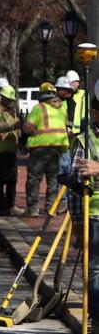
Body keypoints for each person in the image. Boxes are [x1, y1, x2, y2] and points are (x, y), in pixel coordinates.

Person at [67, 83, 99, 316]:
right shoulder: (84, 141)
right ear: (95, 112)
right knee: (95, 271)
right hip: (95, 217)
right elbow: (75, 189)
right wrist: (78, 223)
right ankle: (97, 322)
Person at [22, 82, 69, 217]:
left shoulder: (39, 108)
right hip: (56, 149)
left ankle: (33, 209)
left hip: (40, 148)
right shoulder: (61, 108)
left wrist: (24, 126)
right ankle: (51, 209)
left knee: (34, 179)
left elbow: (28, 128)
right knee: (53, 180)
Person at [0, 84, 22, 217]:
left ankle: (11, 205)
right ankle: (1, 207)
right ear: (2, 98)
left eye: (11, 99)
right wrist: (14, 125)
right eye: (7, 99)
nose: (9, 101)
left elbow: (16, 128)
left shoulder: (10, 112)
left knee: (12, 179)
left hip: (10, 151)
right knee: (0, 180)